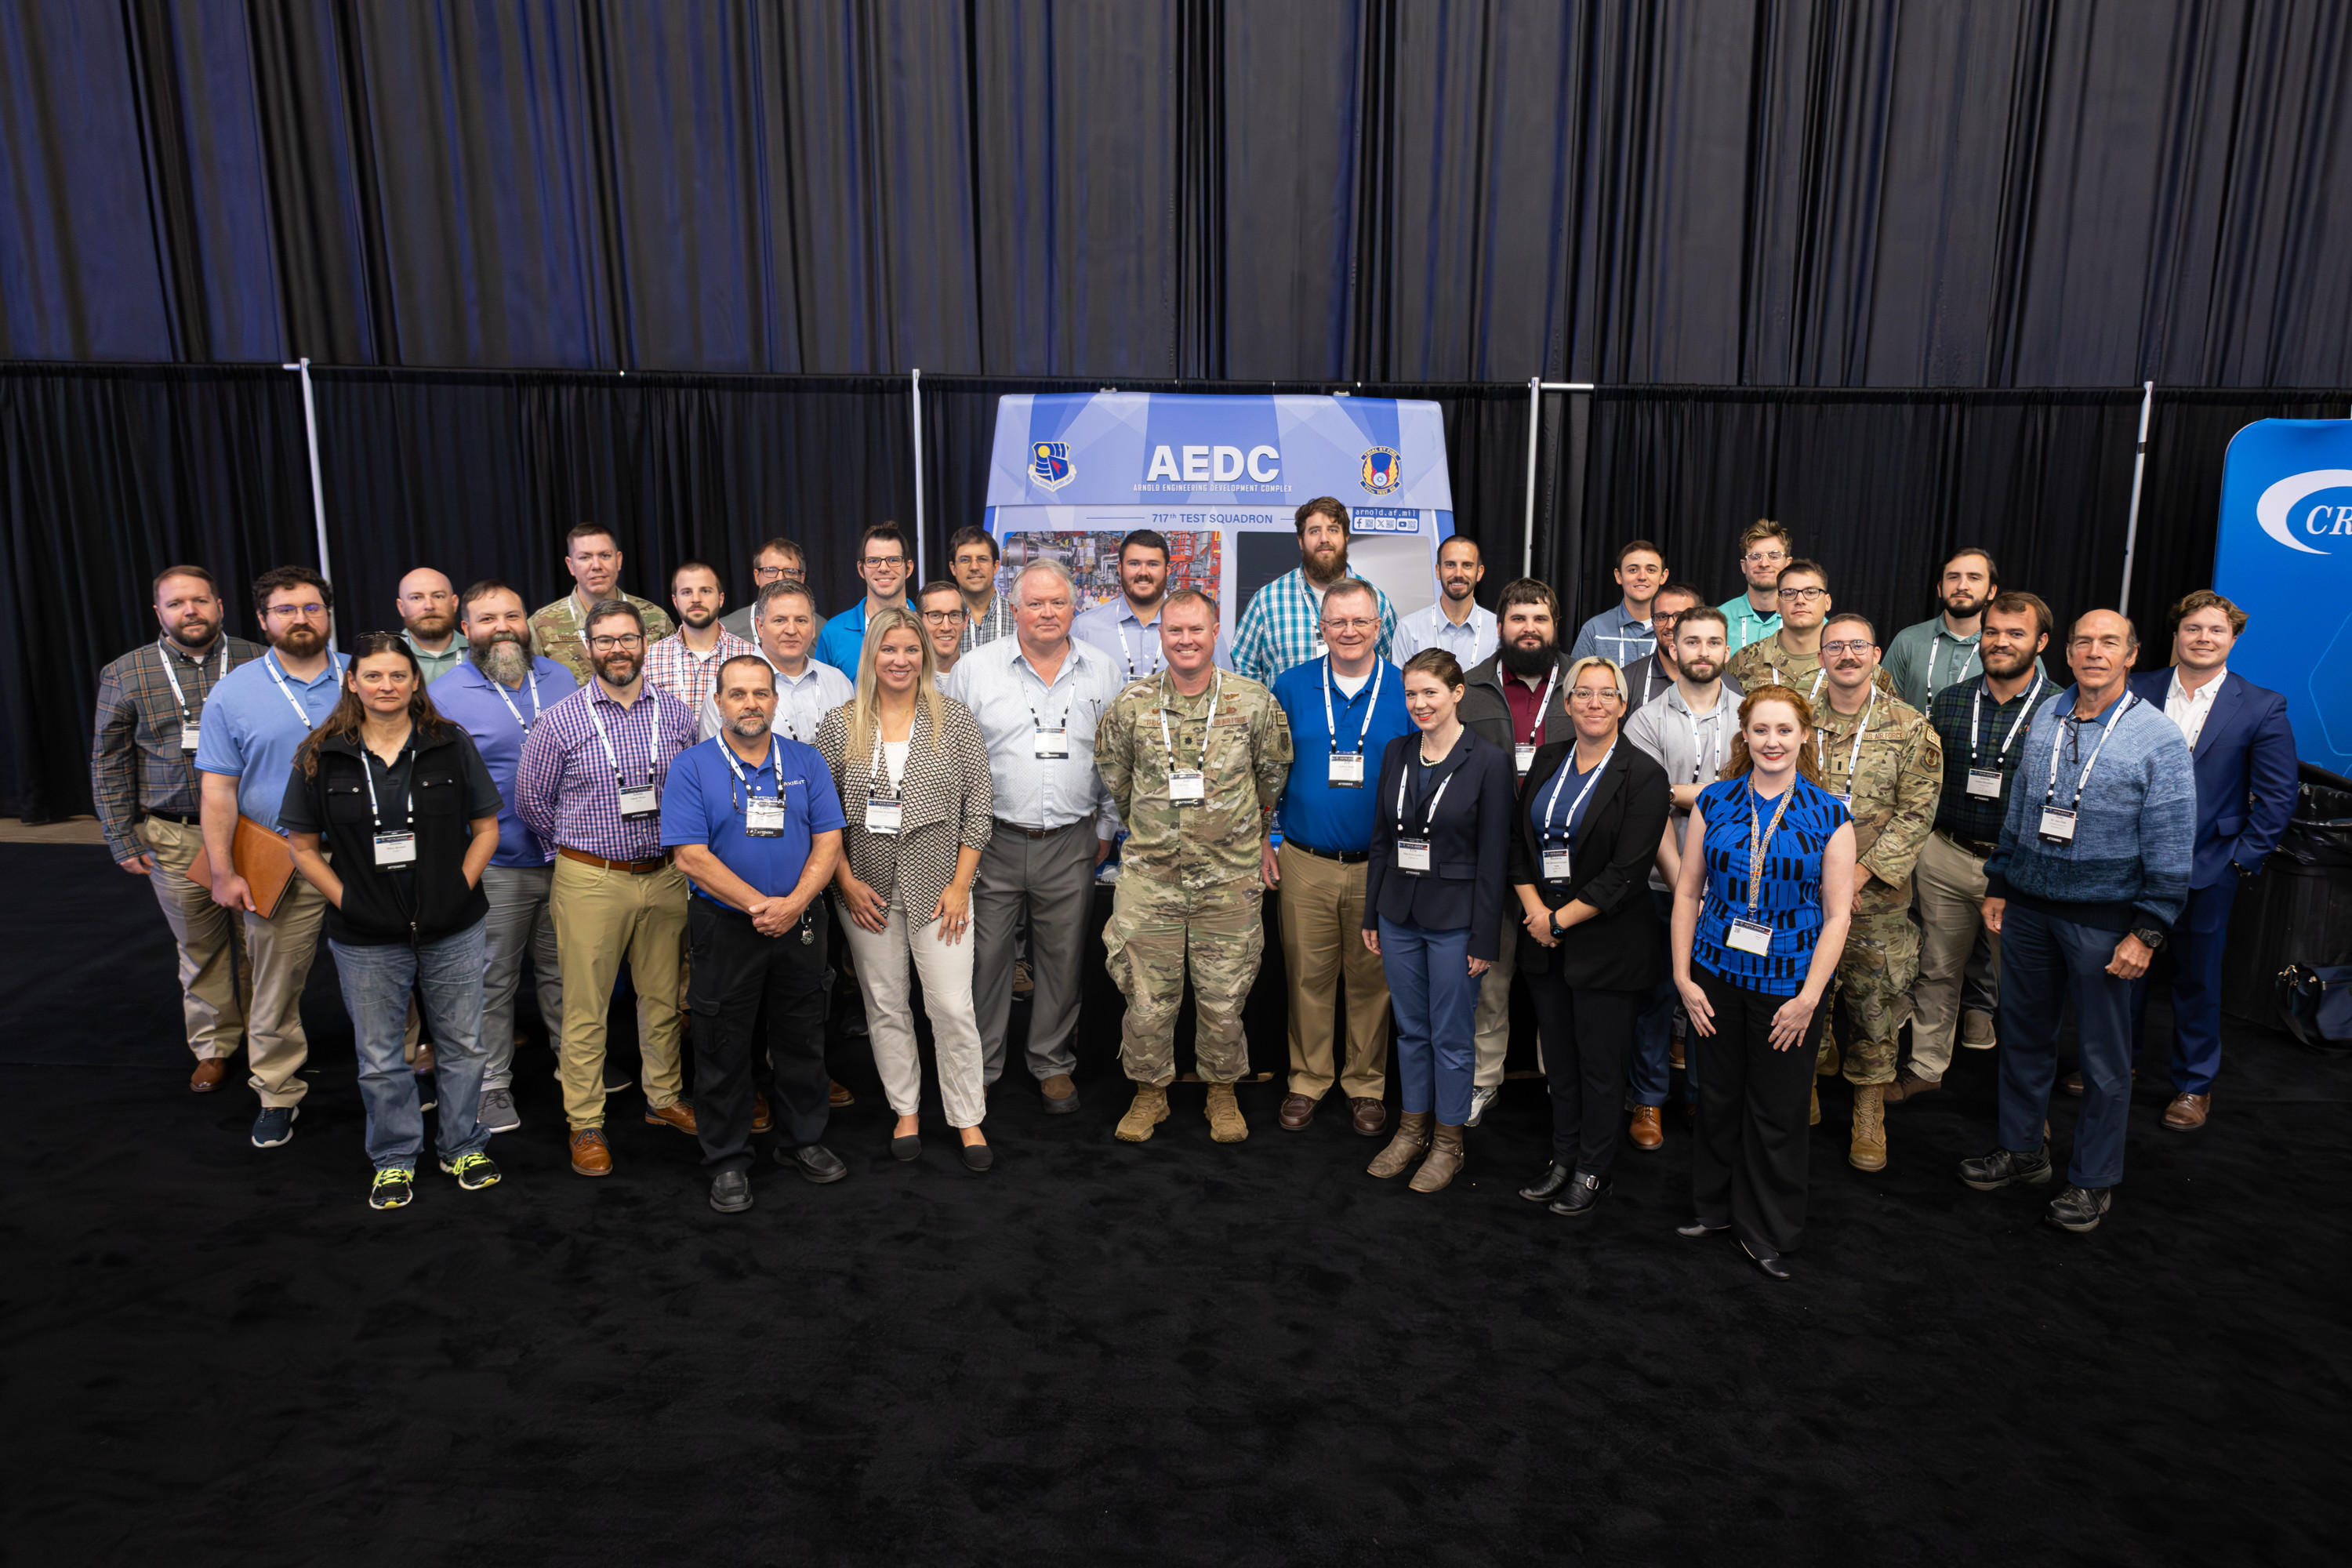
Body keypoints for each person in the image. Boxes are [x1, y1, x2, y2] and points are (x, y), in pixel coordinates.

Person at [1962, 610, 2194, 1233]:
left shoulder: (2157, 737)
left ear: (2131, 655)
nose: (2094, 652)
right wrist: (2001, 881)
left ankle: (2093, 1181)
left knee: (2102, 1060)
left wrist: (2148, 929)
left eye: (2108, 643)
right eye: (2084, 641)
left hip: (2105, 923)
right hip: (2030, 909)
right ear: (2066, 653)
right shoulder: (2047, 715)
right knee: (2023, 1038)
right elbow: (2020, 805)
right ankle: (2022, 1151)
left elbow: (2174, 842)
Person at [281, 635, 504, 1209]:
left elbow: (486, 829)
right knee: (381, 1057)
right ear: (352, 682)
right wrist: (348, 902)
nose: (387, 686)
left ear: (415, 682)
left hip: (452, 925)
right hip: (365, 935)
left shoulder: (449, 743)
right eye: (374, 676)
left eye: (398, 675)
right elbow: (302, 847)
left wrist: (458, 889)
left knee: (463, 1045)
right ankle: (394, 1157)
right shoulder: (322, 752)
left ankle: (463, 1146)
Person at [1671, 685, 1857, 1280]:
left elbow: (1838, 917)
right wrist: (1682, 977)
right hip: (1714, 977)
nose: (1771, 742)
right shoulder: (1715, 801)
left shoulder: (1829, 815)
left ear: (1804, 736)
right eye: (1760, 730)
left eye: (1784, 730)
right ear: (1744, 736)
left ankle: (1767, 1229)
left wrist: (1809, 999)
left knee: (1776, 1111)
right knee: (1717, 1099)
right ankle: (1714, 1210)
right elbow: (1687, 893)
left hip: (1790, 988)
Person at [1098, 588, 1294, 1144]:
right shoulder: (1132, 704)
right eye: (1175, 631)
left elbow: (1271, 776)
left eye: (1196, 630)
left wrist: (1246, 832)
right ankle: (1149, 1094)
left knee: (1224, 999)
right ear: (1162, 635)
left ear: (1215, 632)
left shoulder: (1253, 702)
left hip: (1229, 881)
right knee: (1145, 1000)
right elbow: (1116, 778)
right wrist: (1154, 827)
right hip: (1151, 879)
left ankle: (1222, 1091)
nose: (1186, 640)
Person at [514, 598, 702, 1178]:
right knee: (586, 1007)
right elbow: (531, 802)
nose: (618, 650)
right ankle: (585, 1121)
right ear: (588, 647)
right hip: (591, 879)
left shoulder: (676, 714)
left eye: (627, 639)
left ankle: (663, 1097)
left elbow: (691, 792)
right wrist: (577, 853)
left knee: (663, 999)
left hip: (664, 876)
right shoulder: (560, 720)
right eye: (605, 641)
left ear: (645, 643)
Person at [663, 654, 847, 1212]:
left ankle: (803, 1141)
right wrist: (760, 907)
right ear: (718, 702)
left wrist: (794, 904)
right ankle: (726, 1159)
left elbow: (829, 841)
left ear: (775, 700)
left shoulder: (806, 760)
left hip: (801, 921)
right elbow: (690, 857)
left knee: (802, 1039)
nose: (750, 704)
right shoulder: (692, 766)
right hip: (726, 927)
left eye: (761, 693)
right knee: (722, 1045)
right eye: (738, 694)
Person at [818, 611, 996, 1170]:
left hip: (940, 889)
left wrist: (961, 887)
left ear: (925, 655)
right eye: (888, 649)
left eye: (911, 649)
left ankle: (967, 1116)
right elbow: (823, 818)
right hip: (865, 891)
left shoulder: (954, 720)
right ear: (871, 655)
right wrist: (845, 882)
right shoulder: (840, 724)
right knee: (885, 1003)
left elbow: (979, 811)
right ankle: (906, 1110)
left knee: (952, 1006)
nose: (900, 660)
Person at [945, 561, 1125, 1111]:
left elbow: (1115, 759)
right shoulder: (975, 670)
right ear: (1015, 609)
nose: (1048, 613)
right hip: (990, 841)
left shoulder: (1103, 671)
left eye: (1058, 603)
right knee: (985, 960)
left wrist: (1105, 826)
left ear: (1074, 608)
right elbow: (952, 758)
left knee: (1062, 959)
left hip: (1071, 840)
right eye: (1036, 604)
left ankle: (1051, 1063)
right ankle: (982, 1064)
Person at [2116, 591, 2295, 1131]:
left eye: (2216, 630)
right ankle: (2116, 1066)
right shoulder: (2136, 689)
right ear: (2176, 634)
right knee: (2122, 974)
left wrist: (2241, 861)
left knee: (2197, 982)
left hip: (2210, 867)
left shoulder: (2262, 705)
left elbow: (2278, 796)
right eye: (2193, 628)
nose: (2203, 638)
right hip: (2129, 861)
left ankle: (2194, 1086)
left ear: (2233, 639)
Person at [92, 565, 266, 1094]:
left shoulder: (261, 661)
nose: (190, 611)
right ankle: (214, 1047)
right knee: (200, 947)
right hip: (176, 833)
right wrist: (120, 835)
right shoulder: (125, 672)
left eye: (200, 600)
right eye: (176, 603)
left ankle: (268, 1043)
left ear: (219, 605)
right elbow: (109, 761)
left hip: (256, 832)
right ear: (159, 613)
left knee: (263, 945)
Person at [194, 567, 350, 1150]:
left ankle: (406, 1067)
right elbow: (217, 790)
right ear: (262, 621)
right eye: (285, 610)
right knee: (275, 986)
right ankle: (277, 1092)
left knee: (389, 971)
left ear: (327, 615)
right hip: (280, 857)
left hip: (363, 856)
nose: (300, 619)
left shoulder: (363, 676)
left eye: (311, 608)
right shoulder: (233, 692)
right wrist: (222, 870)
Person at [1510, 656, 1672, 1218]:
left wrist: (1557, 921)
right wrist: (1537, 913)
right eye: (1583, 693)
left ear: (1623, 705)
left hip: (1607, 946)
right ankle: (1562, 1158)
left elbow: (1626, 873)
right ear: (1568, 703)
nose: (1594, 703)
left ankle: (1594, 1169)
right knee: (1560, 1064)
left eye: (1607, 693)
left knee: (1601, 1070)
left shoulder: (1644, 774)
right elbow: (1519, 843)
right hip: (1544, 941)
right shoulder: (1548, 758)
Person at [1358, 648, 1514, 1189]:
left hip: (1456, 921)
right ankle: (1411, 1131)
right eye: (1411, 693)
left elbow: (1495, 857)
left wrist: (1485, 937)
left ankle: (1448, 1143)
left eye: (1430, 692)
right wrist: (1372, 912)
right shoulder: (1398, 751)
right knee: (1411, 1031)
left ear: (1457, 693)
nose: (1420, 703)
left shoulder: (1488, 760)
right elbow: (1382, 840)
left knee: (1451, 1035)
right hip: (1398, 913)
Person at [430, 579, 582, 1134]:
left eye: (512, 616)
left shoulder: (561, 678)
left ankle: (576, 1069)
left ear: (528, 623)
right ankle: (492, 1083)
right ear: (465, 628)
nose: (502, 628)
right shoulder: (444, 696)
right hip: (498, 864)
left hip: (568, 859)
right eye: (488, 618)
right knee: (492, 979)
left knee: (565, 973)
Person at [1265, 579, 1414, 1136]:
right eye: (1337, 622)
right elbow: (1268, 769)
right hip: (1305, 860)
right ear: (1320, 628)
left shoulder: (1405, 688)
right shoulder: (1290, 685)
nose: (1349, 631)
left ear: (1379, 627)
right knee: (1307, 976)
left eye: (1360, 621)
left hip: (1382, 865)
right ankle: (1307, 1080)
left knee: (1372, 980)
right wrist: (1263, 841)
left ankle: (1365, 1085)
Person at [1898, 591, 2052, 1105]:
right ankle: (1926, 1066)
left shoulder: (2060, 709)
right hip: (1947, 854)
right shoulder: (1951, 700)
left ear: (2041, 643)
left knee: (2024, 988)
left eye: (2016, 634)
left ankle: (2024, 1101)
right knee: (1937, 968)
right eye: (1992, 632)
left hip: (2022, 870)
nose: (2001, 642)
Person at [1809, 612, 1941, 1171]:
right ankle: (1804, 1083)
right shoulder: (1795, 719)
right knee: (1805, 994)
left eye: (1857, 646)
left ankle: (1868, 1107)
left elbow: (1916, 815)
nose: (1847, 655)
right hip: (1803, 893)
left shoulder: (1910, 727)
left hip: (1875, 899)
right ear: (1821, 657)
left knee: (1873, 1004)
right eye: (1835, 646)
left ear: (1877, 654)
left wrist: (1857, 876)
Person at [1623, 603, 1743, 1147]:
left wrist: (1681, 793)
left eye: (1713, 642)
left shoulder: (1748, 716)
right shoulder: (1646, 719)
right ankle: (1648, 1100)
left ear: (1726, 649)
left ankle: (1700, 1094)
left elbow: (1753, 796)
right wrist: (1684, 891)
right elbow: (1644, 809)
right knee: (1655, 998)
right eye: (1691, 641)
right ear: (1673, 646)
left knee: (1711, 998)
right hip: (1659, 883)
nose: (1702, 652)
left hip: (1730, 890)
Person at [1457, 578, 1575, 1125]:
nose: (1530, 629)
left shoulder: (1581, 684)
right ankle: (1483, 1082)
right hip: (1491, 861)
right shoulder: (1470, 688)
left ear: (1555, 626)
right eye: (1519, 619)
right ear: (1500, 626)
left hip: (1565, 860)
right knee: (1489, 981)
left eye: (1540, 619)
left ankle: (1563, 1084)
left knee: (1564, 985)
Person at [1232, 496, 1397, 685]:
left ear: (1346, 538)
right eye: (1315, 531)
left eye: (1333, 530)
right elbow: (1244, 670)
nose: (1324, 539)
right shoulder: (1267, 601)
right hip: (1286, 706)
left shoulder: (1377, 601)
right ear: (1301, 541)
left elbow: (1389, 670)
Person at [1724, 559, 1898, 703]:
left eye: (1811, 592)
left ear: (1827, 602)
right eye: (1789, 593)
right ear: (1777, 604)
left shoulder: (1859, 665)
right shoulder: (1744, 661)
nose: (1800, 600)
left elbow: (1893, 717)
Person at [1074, 528, 1236, 679]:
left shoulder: (1202, 625)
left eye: (1153, 564)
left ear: (1167, 570)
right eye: (1134, 563)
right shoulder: (1084, 628)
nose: (1143, 572)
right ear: (1120, 568)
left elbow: (1227, 686)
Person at [710, 581, 855, 746]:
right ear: (760, 626)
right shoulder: (727, 685)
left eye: (801, 620)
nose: (791, 630)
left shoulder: (839, 683)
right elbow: (711, 755)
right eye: (780, 620)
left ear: (813, 627)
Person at [1884, 548, 2029, 710]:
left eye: (1974, 578)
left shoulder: (2015, 647)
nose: (1962, 586)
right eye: (1953, 577)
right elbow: (1885, 710)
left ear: (1991, 591)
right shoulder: (1907, 641)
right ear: (1940, 588)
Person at [529, 523, 675, 684]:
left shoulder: (656, 618)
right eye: (585, 557)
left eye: (605, 556)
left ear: (618, 560)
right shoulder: (540, 625)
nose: (596, 566)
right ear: (571, 565)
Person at [641, 560, 757, 706]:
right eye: (687, 592)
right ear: (675, 601)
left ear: (721, 599)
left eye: (705, 591)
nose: (696, 599)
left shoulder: (750, 655)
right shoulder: (650, 659)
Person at [1619, 581, 1731, 715]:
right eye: (1662, 617)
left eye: (1680, 617)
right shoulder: (1626, 682)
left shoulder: (1729, 686)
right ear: (1652, 622)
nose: (1670, 625)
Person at [812, 522, 911, 673]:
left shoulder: (928, 626)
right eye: (873, 561)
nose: (883, 568)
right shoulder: (834, 632)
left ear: (909, 568)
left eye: (893, 560)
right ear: (861, 569)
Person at [1391, 535, 1497, 669]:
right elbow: (1401, 682)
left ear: (1479, 572)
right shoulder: (1408, 629)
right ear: (1438, 571)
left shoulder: (1498, 631)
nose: (1458, 574)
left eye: (1467, 565)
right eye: (1450, 565)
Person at [1567, 539, 1667, 666]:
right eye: (1633, 570)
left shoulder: (1675, 628)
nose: (1642, 577)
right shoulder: (1594, 630)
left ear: (1663, 576)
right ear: (1619, 576)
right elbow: (1577, 678)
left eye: (1651, 570)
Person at [720, 536, 827, 647]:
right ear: (757, 576)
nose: (780, 579)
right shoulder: (725, 630)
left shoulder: (824, 631)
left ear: (801, 579)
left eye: (790, 571)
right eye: (771, 570)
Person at [1717, 520, 1792, 652]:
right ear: (1743, 566)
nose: (1764, 564)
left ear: (1788, 564)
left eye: (1774, 556)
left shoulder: (1808, 619)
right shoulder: (1718, 619)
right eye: (1755, 556)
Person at [949, 525, 1016, 651]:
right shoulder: (941, 621)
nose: (974, 567)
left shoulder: (1019, 616)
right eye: (965, 560)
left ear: (996, 567)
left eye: (982, 559)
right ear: (953, 568)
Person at [396, 568, 466, 685]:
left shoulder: (480, 653)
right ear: (401, 607)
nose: (429, 606)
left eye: (438, 596)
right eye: (416, 598)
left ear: (454, 603)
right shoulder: (383, 656)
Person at [916, 579, 969, 679]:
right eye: (935, 615)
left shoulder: (980, 675)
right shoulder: (908, 678)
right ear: (918, 621)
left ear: (965, 621)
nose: (946, 627)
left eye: (954, 615)